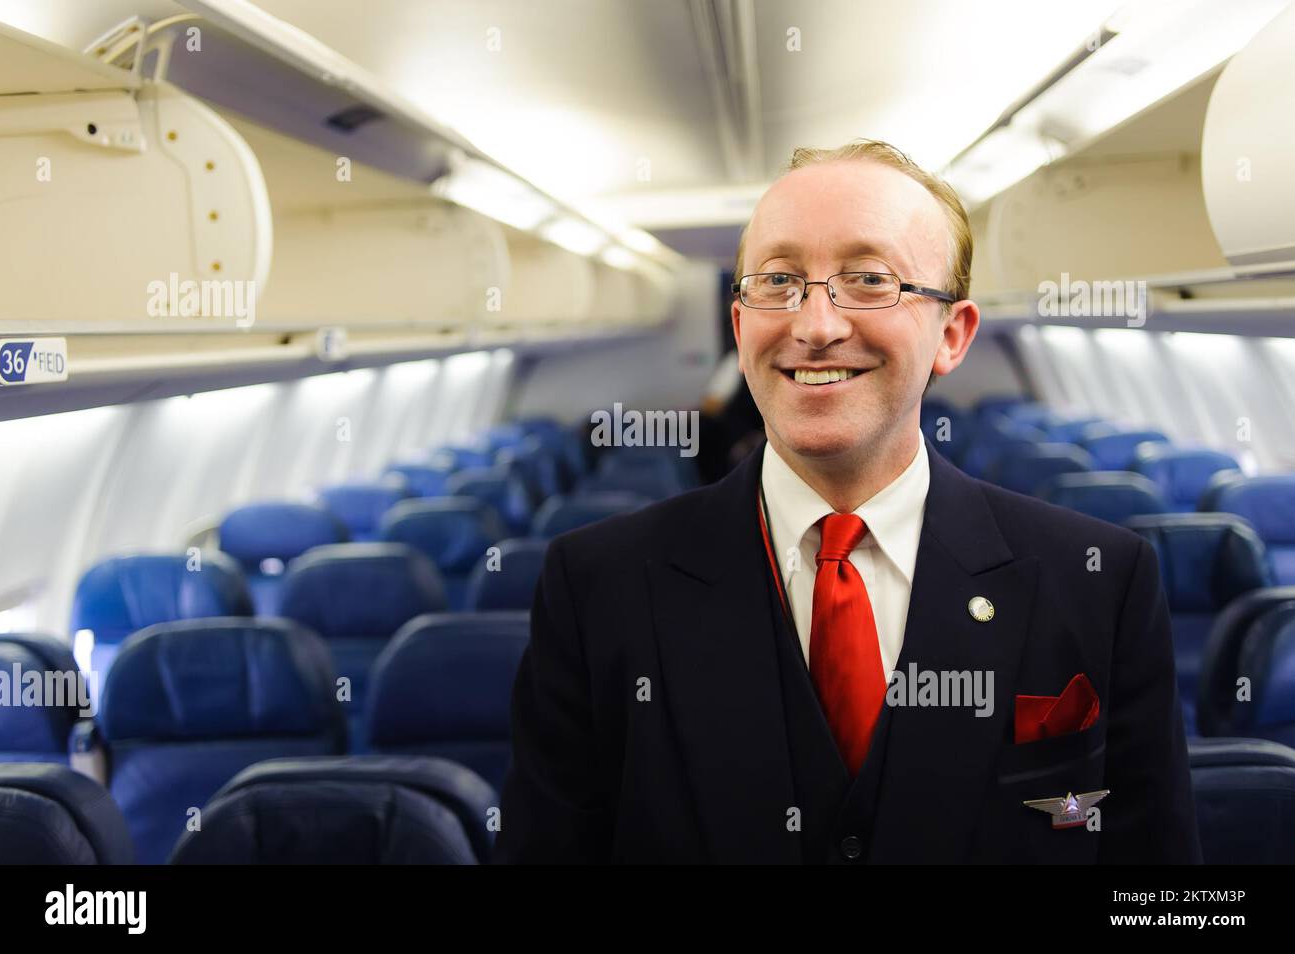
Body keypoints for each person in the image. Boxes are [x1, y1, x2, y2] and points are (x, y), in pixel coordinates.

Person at [495, 139, 1200, 864]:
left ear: (951, 335)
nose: (816, 325)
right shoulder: (597, 588)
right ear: (740, 329)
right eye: (778, 280)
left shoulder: (1098, 584)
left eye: (869, 279)